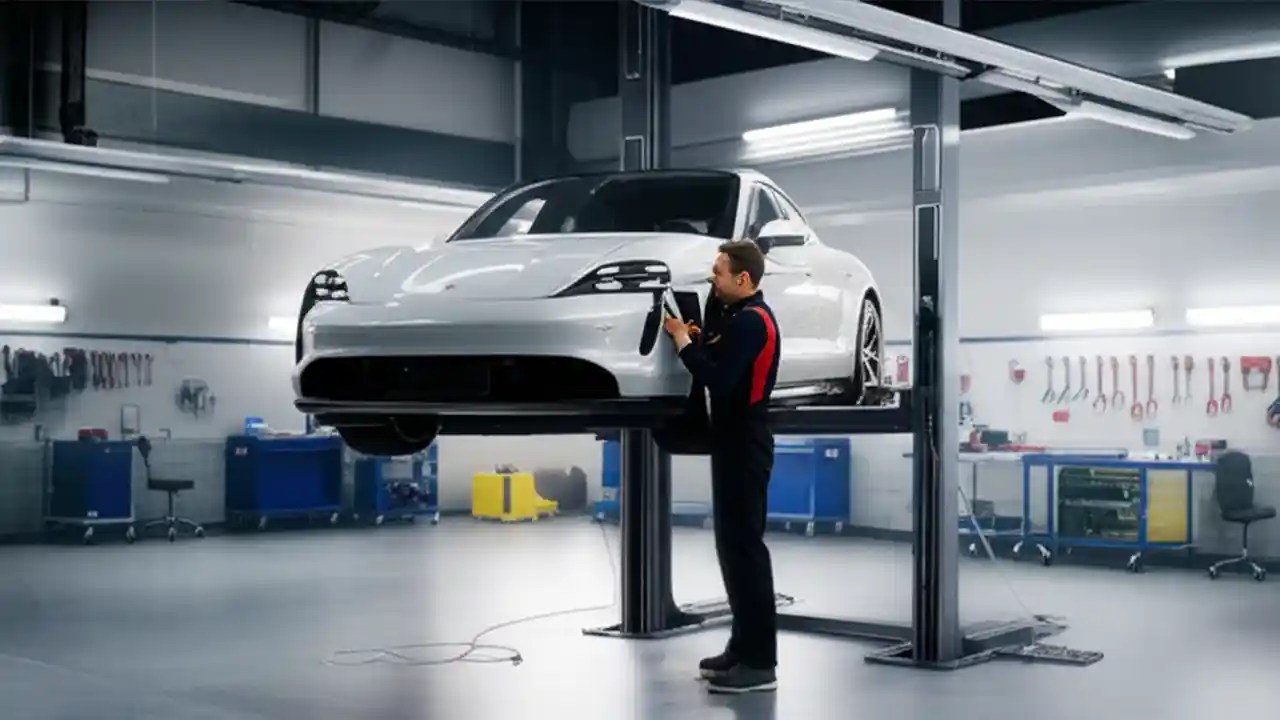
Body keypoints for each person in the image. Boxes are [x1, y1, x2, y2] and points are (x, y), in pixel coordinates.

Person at [662, 240, 780, 694]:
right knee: (732, 550)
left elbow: (719, 379)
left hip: (745, 444)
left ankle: (761, 664)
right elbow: (723, 361)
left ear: (742, 280)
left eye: (718, 273)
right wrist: (701, 338)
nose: (713, 280)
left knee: (747, 553)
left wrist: (682, 342)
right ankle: (740, 648)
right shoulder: (740, 321)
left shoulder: (753, 322)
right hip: (731, 443)